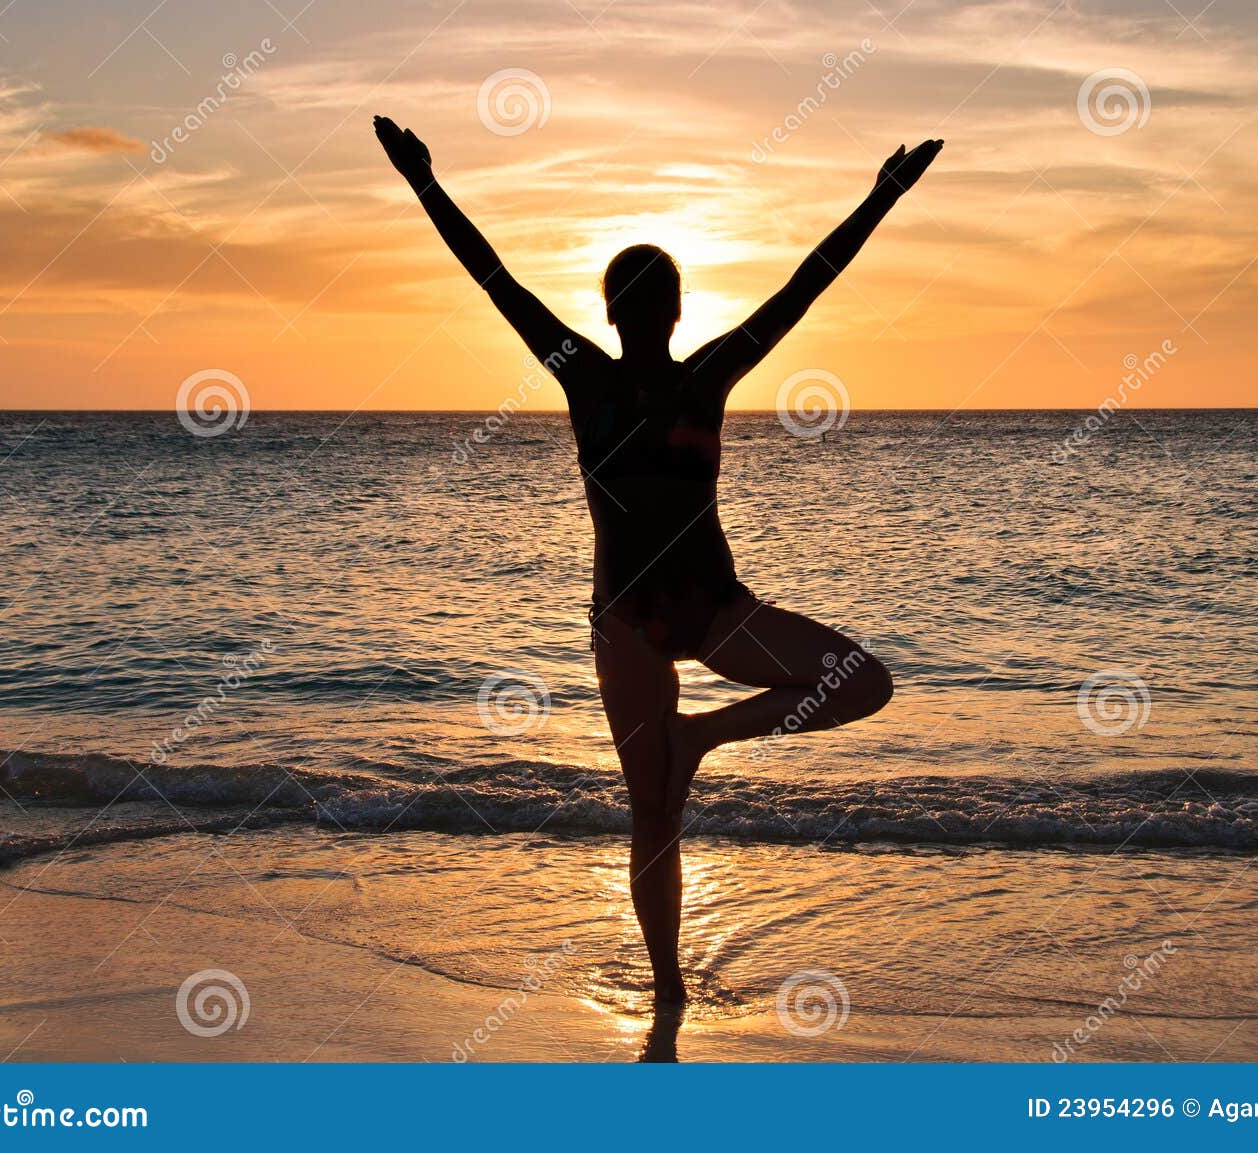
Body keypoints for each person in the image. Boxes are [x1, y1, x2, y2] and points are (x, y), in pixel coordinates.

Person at [376, 115, 941, 1006]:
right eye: (642, 301)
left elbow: (498, 281)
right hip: (637, 621)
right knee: (657, 811)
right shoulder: (609, 376)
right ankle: (669, 988)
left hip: (710, 607)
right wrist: (881, 197)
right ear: (661, 310)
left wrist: (425, 182)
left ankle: (701, 740)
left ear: (639, 311)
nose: (642, 312)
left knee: (850, 686)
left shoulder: (660, 377)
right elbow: (802, 289)